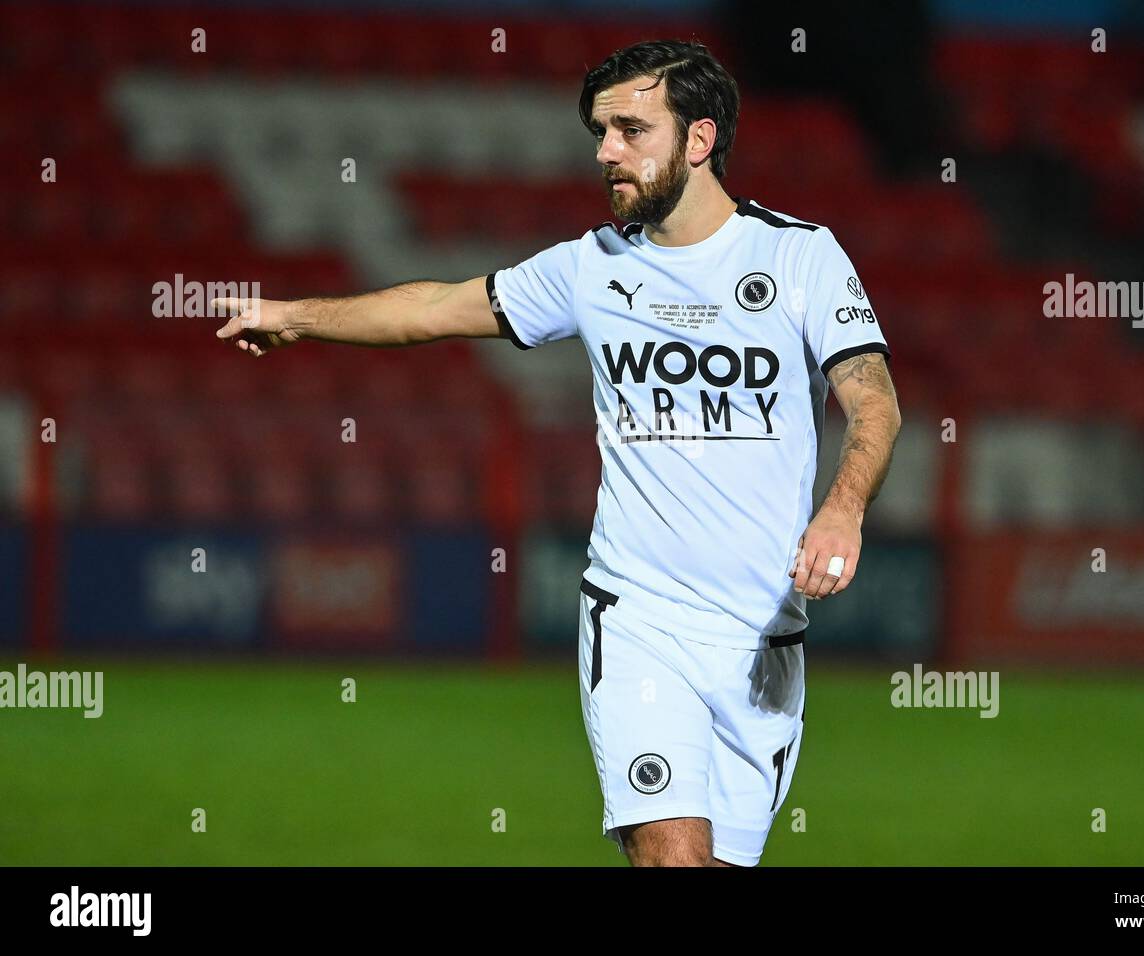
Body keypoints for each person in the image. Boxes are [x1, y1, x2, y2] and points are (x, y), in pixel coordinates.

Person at [212, 39, 901, 867]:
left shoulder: (799, 256)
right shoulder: (592, 267)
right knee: (670, 855)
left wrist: (843, 507)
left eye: (630, 129)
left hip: (762, 636)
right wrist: (296, 314)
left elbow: (874, 400)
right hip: (639, 616)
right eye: (600, 132)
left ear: (699, 139)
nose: (605, 151)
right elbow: (432, 306)